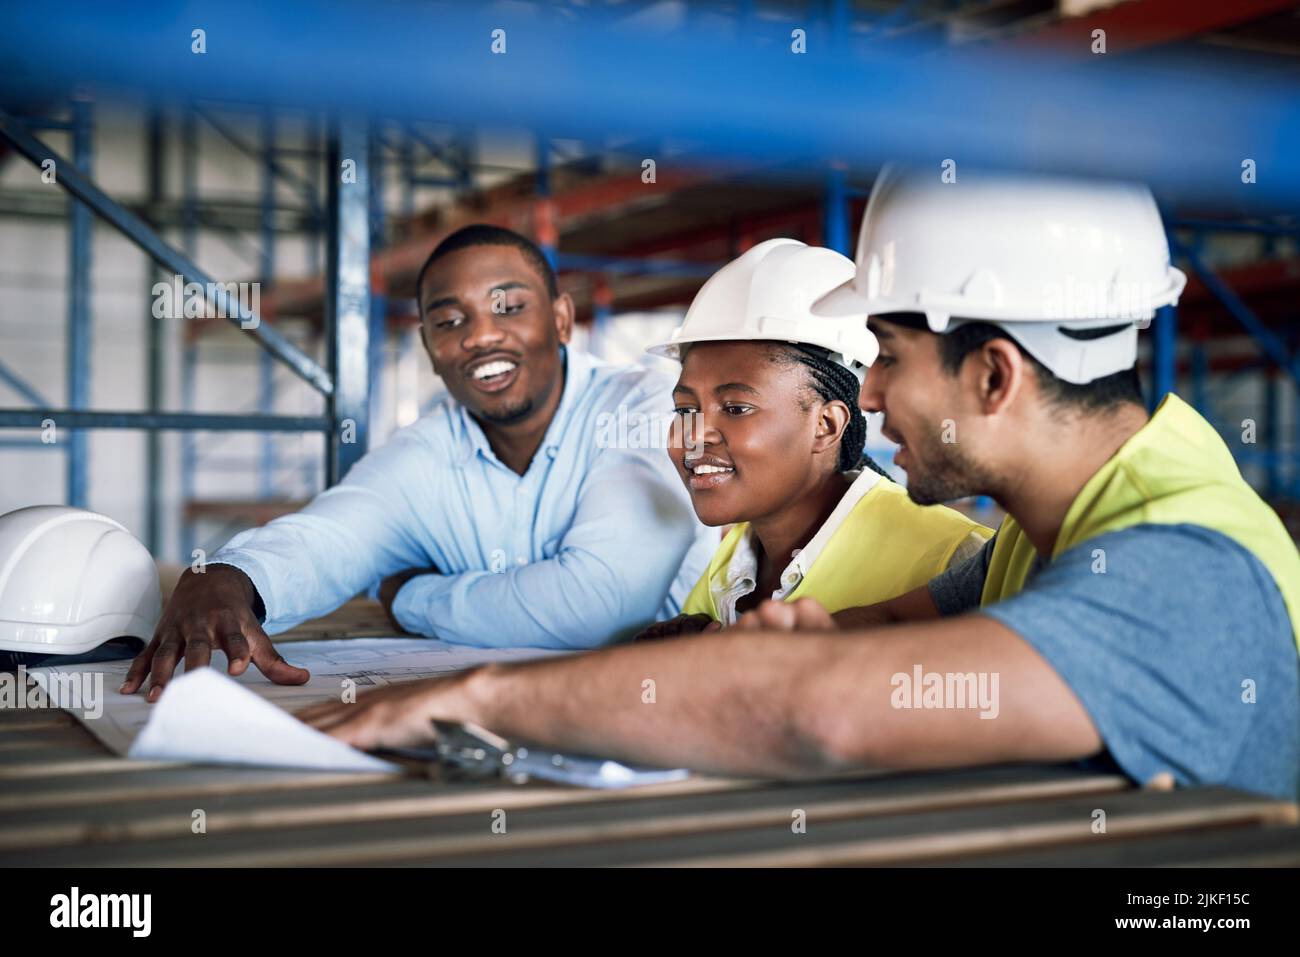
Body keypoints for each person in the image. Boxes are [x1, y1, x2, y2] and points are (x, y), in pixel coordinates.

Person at [299, 170, 1299, 801]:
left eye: (888, 355)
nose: (869, 394)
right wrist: (735, 642)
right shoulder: (1042, 539)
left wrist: (484, 696)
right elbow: (878, 627)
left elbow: (822, 706)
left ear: (993, 377)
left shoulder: (1183, 568)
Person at [122, 225, 714, 701]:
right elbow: (331, 537)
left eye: (508, 307)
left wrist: (411, 597)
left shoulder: (644, 407)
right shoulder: (424, 453)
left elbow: (598, 607)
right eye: (449, 321)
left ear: (561, 319)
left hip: (667, 707)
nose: (480, 336)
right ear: (430, 347)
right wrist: (229, 578)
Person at [635, 239, 989, 642]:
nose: (695, 435)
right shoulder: (735, 559)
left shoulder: (951, 557)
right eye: (685, 410)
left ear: (826, 425)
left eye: (735, 408)